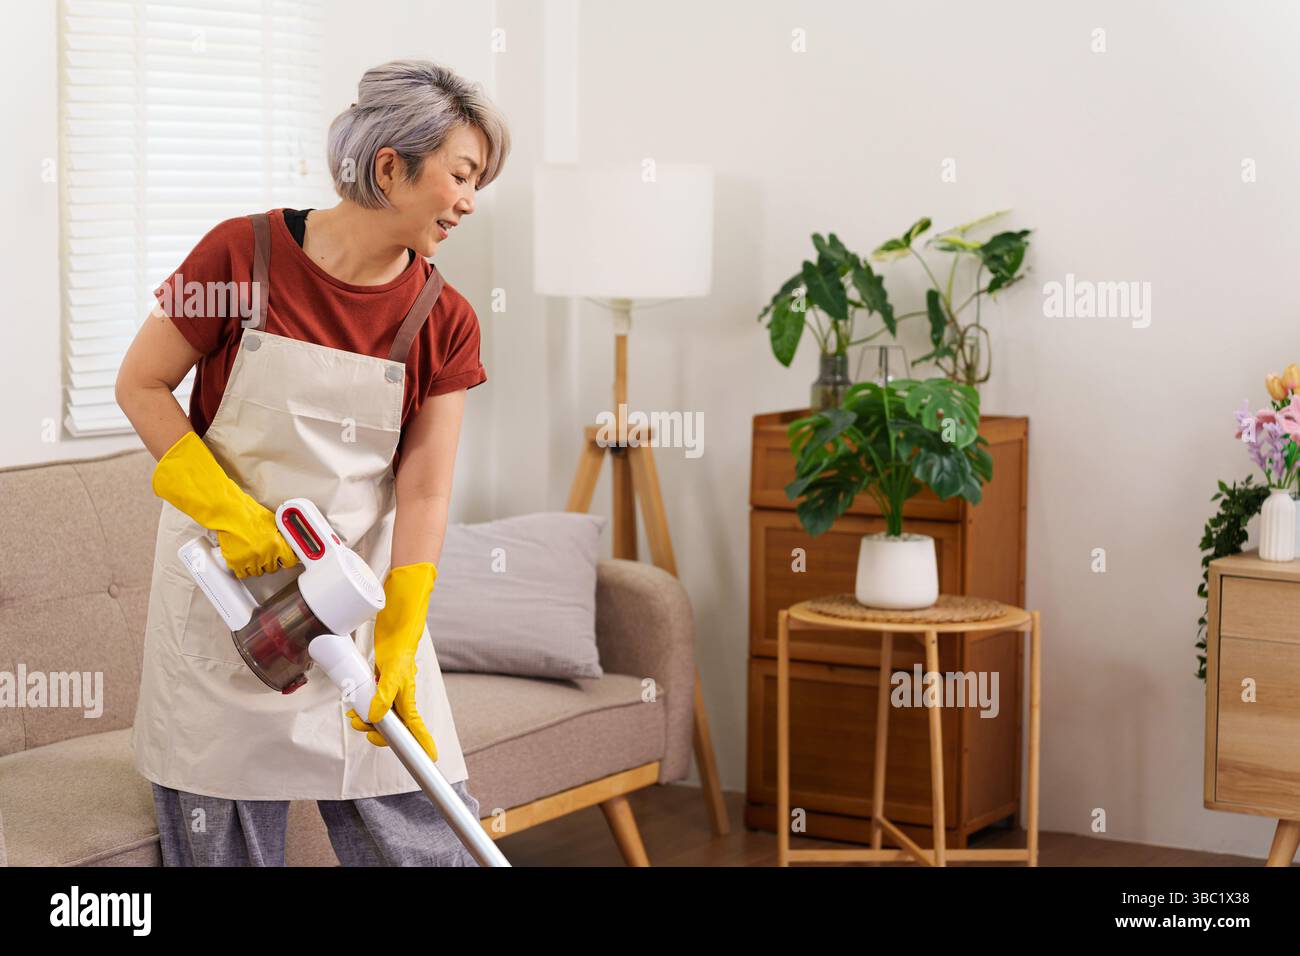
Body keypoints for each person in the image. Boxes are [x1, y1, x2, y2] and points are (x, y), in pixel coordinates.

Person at [114, 60, 511, 866]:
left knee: (425, 841)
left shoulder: (445, 319)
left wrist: (399, 633)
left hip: (354, 606)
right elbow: (141, 383)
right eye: (462, 175)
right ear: (391, 166)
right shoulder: (239, 256)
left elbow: (426, 487)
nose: (471, 201)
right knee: (220, 841)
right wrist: (228, 514)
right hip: (222, 600)